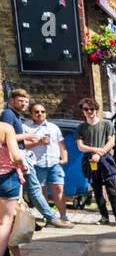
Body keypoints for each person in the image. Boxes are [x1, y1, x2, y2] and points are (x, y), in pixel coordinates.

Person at [3, 91, 66, 230]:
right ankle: (51, 217)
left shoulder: (15, 116)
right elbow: (5, 136)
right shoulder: (8, 114)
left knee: (21, 191)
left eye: (26, 101)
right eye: (20, 101)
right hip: (16, 155)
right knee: (34, 187)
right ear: (12, 100)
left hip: (20, 154)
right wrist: (27, 135)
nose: (24, 104)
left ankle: (24, 220)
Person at [75, 99, 116, 227]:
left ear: (96, 110)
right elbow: (80, 146)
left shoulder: (106, 124)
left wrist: (99, 153)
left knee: (111, 191)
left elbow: (111, 142)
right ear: (83, 111)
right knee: (97, 191)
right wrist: (94, 150)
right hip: (90, 161)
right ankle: (104, 217)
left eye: (91, 109)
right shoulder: (81, 127)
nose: (89, 112)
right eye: (86, 109)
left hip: (105, 161)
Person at [21, 103, 72, 227]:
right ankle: (48, 217)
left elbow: (61, 144)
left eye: (42, 111)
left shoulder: (53, 127)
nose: (40, 114)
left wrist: (64, 157)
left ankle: (63, 216)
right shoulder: (25, 127)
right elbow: (22, 145)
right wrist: (38, 142)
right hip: (36, 163)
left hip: (54, 163)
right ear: (31, 114)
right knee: (41, 191)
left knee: (59, 189)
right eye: (36, 112)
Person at [0, 115, 30, 256]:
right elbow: (16, 155)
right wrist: (23, 166)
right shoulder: (5, 128)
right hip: (5, 178)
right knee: (5, 223)